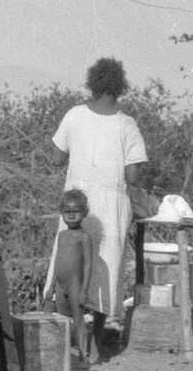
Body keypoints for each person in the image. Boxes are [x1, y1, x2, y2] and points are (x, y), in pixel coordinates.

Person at [45, 57, 148, 355]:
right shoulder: (127, 124)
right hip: (110, 205)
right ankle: (100, 334)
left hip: (77, 202)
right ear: (119, 88)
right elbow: (131, 175)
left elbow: (56, 159)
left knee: (68, 259)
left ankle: (65, 335)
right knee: (106, 264)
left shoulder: (75, 115)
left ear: (92, 84)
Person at [47, 188, 94, 367]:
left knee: (78, 319)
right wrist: (51, 286)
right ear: (61, 213)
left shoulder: (84, 237)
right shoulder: (62, 235)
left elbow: (88, 264)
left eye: (76, 212)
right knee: (62, 320)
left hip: (75, 283)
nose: (72, 216)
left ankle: (83, 356)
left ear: (85, 213)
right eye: (67, 212)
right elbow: (56, 261)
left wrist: (84, 290)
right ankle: (63, 356)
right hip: (60, 284)